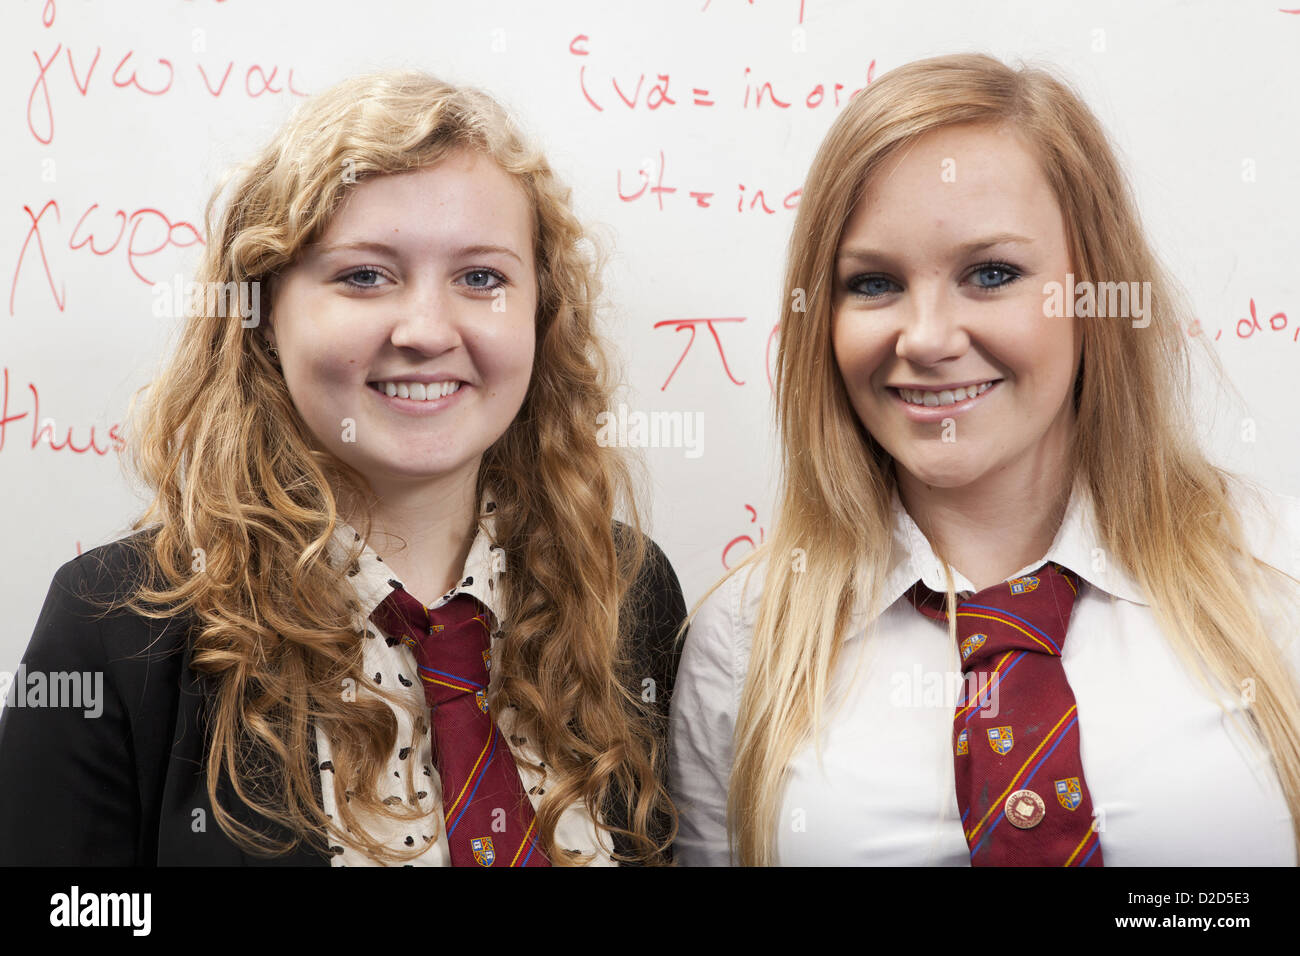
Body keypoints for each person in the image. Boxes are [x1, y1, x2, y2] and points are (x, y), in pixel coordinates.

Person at [0, 70, 685, 866]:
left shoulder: (626, 587)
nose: (427, 330)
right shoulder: (117, 624)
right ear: (260, 318)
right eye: (364, 275)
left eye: (481, 277)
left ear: (542, 314)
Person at [669, 52, 1300, 866]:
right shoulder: (745, 641)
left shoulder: (1274, 573)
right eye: (872, 284)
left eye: (991, 273)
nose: (927, 338)